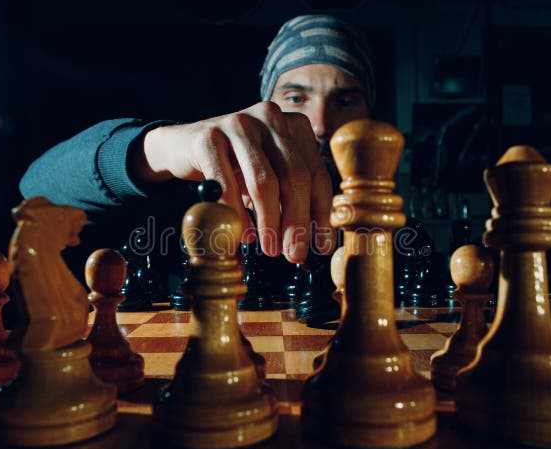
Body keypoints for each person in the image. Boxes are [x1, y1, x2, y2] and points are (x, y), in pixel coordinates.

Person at [20, 15, 375, 288]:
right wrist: (157, 148)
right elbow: (35, 189)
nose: (320, 123)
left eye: (345, 100)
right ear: (266, 102)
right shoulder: (201, 194)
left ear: (370, 111)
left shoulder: (395, 225)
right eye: (296, 98)